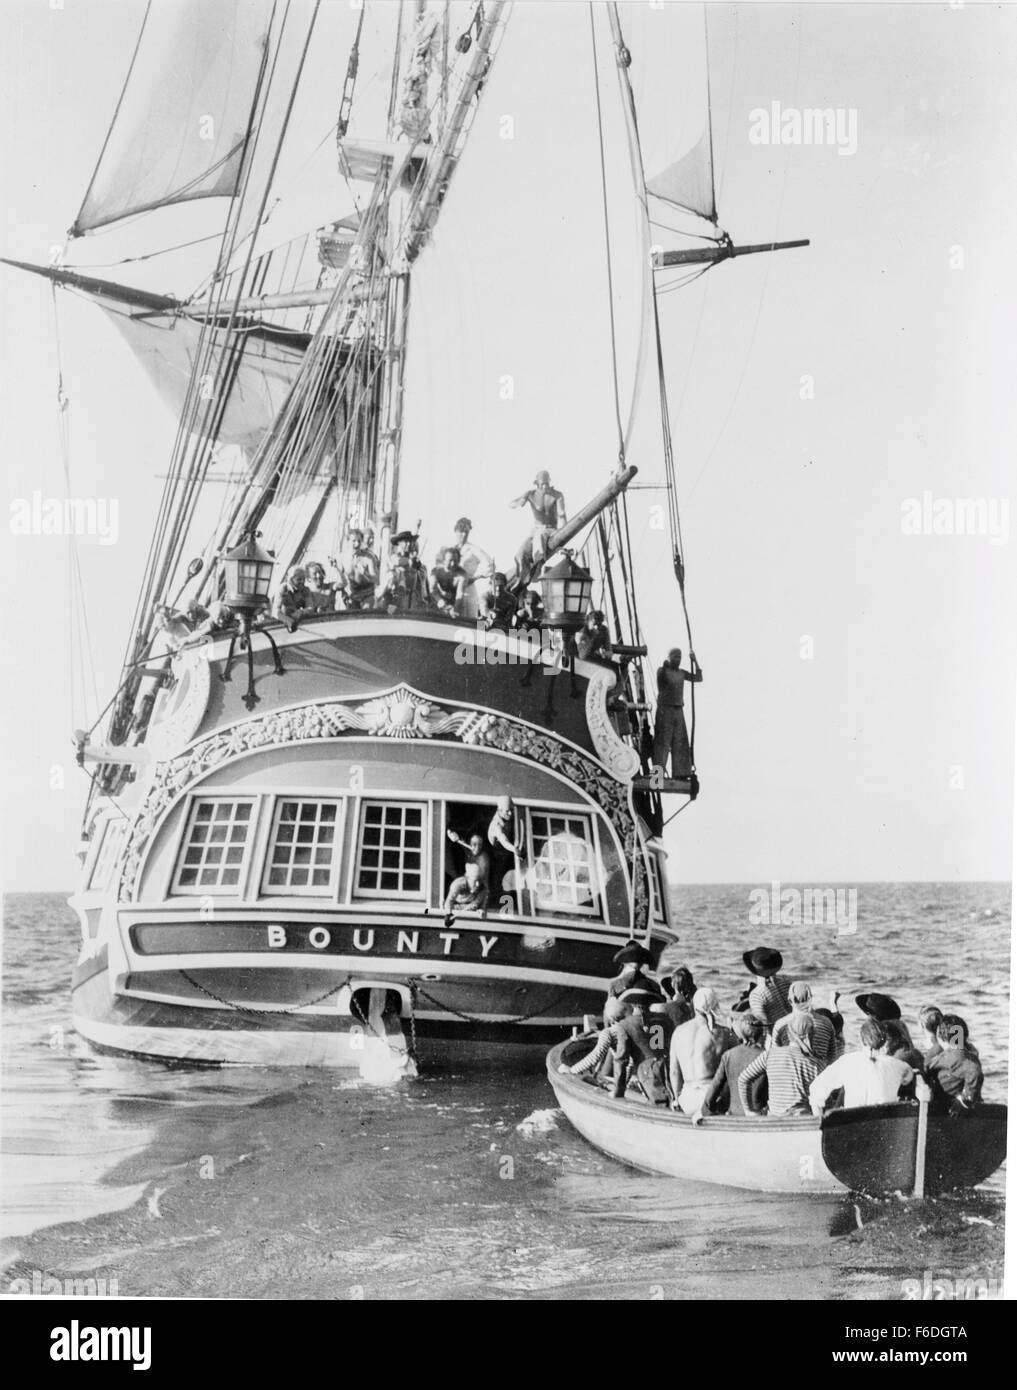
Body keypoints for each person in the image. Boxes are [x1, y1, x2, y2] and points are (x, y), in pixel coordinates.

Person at [808, 1019, 915, 1114]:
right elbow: (908, 1077)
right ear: (884, 1041)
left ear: (861, 1039)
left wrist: (820, 1123)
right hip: (884, 1128)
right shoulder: (897, 1065)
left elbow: (815, 1090)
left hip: (853, 1127)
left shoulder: (847, 1062)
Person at [739, 1013, 824, 1117]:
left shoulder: (770, 1054)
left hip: (775, 1120)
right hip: (803, 1121)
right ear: (811, 1035)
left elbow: (743, 1079)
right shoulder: (817, 1064)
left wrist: (749, 1110)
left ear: (788, 1034)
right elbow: (823, 1099)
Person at [669, 987, 736, 1115]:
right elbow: (735, 1067)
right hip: (712, 1098)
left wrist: (677, 1100)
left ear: (694, 1006)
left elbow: (674, 1071)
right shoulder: (725, 1034)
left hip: (687, 1098)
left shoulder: (679, 1031)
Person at [694, 1013, 767, 1120]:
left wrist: (704, 1111)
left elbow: (715, 1086)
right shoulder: (766, 1055)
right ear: (760, 1033)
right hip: (759, 1116)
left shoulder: (729, 1055)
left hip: (735, 1114)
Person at [651, 647, 702, 778]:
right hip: (665, 710)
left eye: (680, 657)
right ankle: (657, 776)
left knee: (680, 742)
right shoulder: (662, 671)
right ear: (669, 658)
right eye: (675, 657)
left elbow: (698, 678)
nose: (678, 660)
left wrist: (695, 660)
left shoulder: (682, 673)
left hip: (678, 710)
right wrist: (664, 665)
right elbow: (660, 679)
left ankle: (681, 774)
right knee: (662, 742)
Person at [510, 470, 566, 578]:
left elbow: (562, 515)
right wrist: (523, 499)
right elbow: (512, 504)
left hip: (551, 529)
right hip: (536, 530)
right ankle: (521, 581)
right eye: (542, 484)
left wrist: (563, 533)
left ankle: (537, 567)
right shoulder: (532, 494)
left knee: (539, 538)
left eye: (547, 484)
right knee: (520, 554)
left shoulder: (557, 495)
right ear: (537, 484)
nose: (545, 487)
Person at [925, 1018, 984, 1114]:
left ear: (940, 1038)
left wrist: (964, 1100)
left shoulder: (950, 1056)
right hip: (960, 1104)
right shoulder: (971, 1056)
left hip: (945, 1105)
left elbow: (974, 1071)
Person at [772, 981, 838, 1064]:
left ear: (789, 1000)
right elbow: (832, 1057)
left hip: (789, 1072)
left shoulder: (780, 1025)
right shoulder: (827, 1023)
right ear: (810, 998)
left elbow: (775, 1056)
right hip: (820, 1072)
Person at [604, 943, 662, 1025]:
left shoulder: (615, 984)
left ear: (625, 962)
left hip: (622, 1028)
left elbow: (609, 1015)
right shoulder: (653, 984)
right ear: (642, 963)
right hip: (647, 1028)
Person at [451, 517, 495, 619]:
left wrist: (476, 577)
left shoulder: (473, 549)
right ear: (455, 531)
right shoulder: (451, 550)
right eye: (461, 531)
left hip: (468, 591)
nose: (464, 534)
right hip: (453, 591)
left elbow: (491, 565)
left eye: (466, 532)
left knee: (468, 621)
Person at [376, 531, 430, 612]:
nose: (408, 544)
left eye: (410, 542)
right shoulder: (394, 557)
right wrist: (411, 562)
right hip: (395, 598)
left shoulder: (419, 565)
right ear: (399, 543)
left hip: (411, 599)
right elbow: (398, 562)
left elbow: (424, 586)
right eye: (405, 542)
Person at [742, 948, 792, 1029]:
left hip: (777, 1035)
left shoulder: (757, 995)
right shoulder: (786, 983)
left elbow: (763, 1025)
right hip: (794, 1029)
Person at [338, 529, 379, 610]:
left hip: (367, 594)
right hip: (352, 594)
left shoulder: (369, 558)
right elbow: (339, 581)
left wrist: (365, 573)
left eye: (359, 541)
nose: (356, 544)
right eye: (353, 541)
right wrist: (343, 593)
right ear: (347, 541)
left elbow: (376, 579)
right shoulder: (341, 558)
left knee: (365, 612)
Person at [274, 567, 316, 631]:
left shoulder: (305, 590)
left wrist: (301, 612)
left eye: (303, 579)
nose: (302, 582)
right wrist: (288, 621)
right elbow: (275, 612)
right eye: (299, 579)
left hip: (298, 624)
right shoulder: (283, 589)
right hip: (283, 624)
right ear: (291, 579)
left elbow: (311, 608)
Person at [430, 546, 468, 616]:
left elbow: (460, 594)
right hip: (438, 601)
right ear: (444, 560)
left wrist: (455, 609)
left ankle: (482, 626)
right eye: (450, 560)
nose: (453, 564)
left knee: (477, 620)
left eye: (455, 561)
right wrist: (440, 601)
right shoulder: (436, 571)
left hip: (456, 603)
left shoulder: (462, 574)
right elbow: (432, 589)